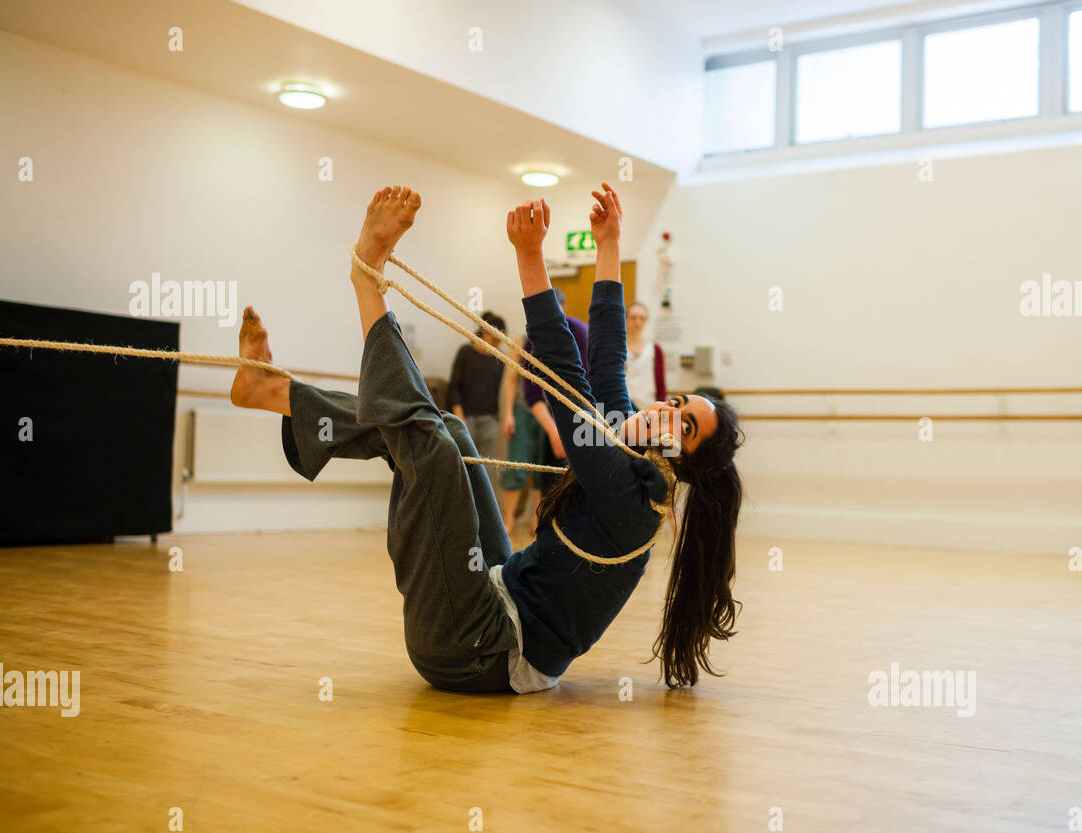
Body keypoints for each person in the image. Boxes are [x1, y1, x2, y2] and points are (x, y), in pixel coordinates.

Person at [229, 183, 744, 691]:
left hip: (479, 651)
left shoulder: (632, 500)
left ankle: (367, 279)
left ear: (685, 460)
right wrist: (609, 243)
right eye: (678, 404)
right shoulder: (632, 451)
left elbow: (564, 378)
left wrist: (529, 256)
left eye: (686, 427)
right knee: (449, 430)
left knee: (430, 442)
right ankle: (272, 392)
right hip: (495, 596)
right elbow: (606, 354)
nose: (668, 414)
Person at [520, 288, 586, 531]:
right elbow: (532, 392)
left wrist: (571, 427)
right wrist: (553, 430)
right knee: (549, 469)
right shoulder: (532, 341)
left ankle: (578, 524)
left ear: (564, 309)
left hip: (585, 411)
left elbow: (589, 384)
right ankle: (548, 524)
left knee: (582, 469)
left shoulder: (580, 332)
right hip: (550, 413)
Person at [447, 310, 506, 465]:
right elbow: (454, 386)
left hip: (490, 418)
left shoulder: (500, 359)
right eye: (493, 338)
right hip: (466, 417)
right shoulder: (466, 352)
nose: (494, 343)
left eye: (498, 340)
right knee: (464, 462)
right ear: (484, 333)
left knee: (486, 464)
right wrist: (460, 417)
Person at [497, 335, 543, 534]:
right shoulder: (521, 341)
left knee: (544, 468)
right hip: (522, 410)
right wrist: (508, 414)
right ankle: (509, 520)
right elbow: (511, 378)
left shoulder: (563, 338)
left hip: (550, 413)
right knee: (516, 465)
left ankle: (538, 518)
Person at [624, 300, 667, 412]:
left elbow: (661, 384)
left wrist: (661, 409)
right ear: (626, 319)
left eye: (642, 318)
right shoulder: (619, 348)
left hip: (649, 407)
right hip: (625, 406)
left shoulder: (655, 349)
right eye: (633, 317)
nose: (637, 322)